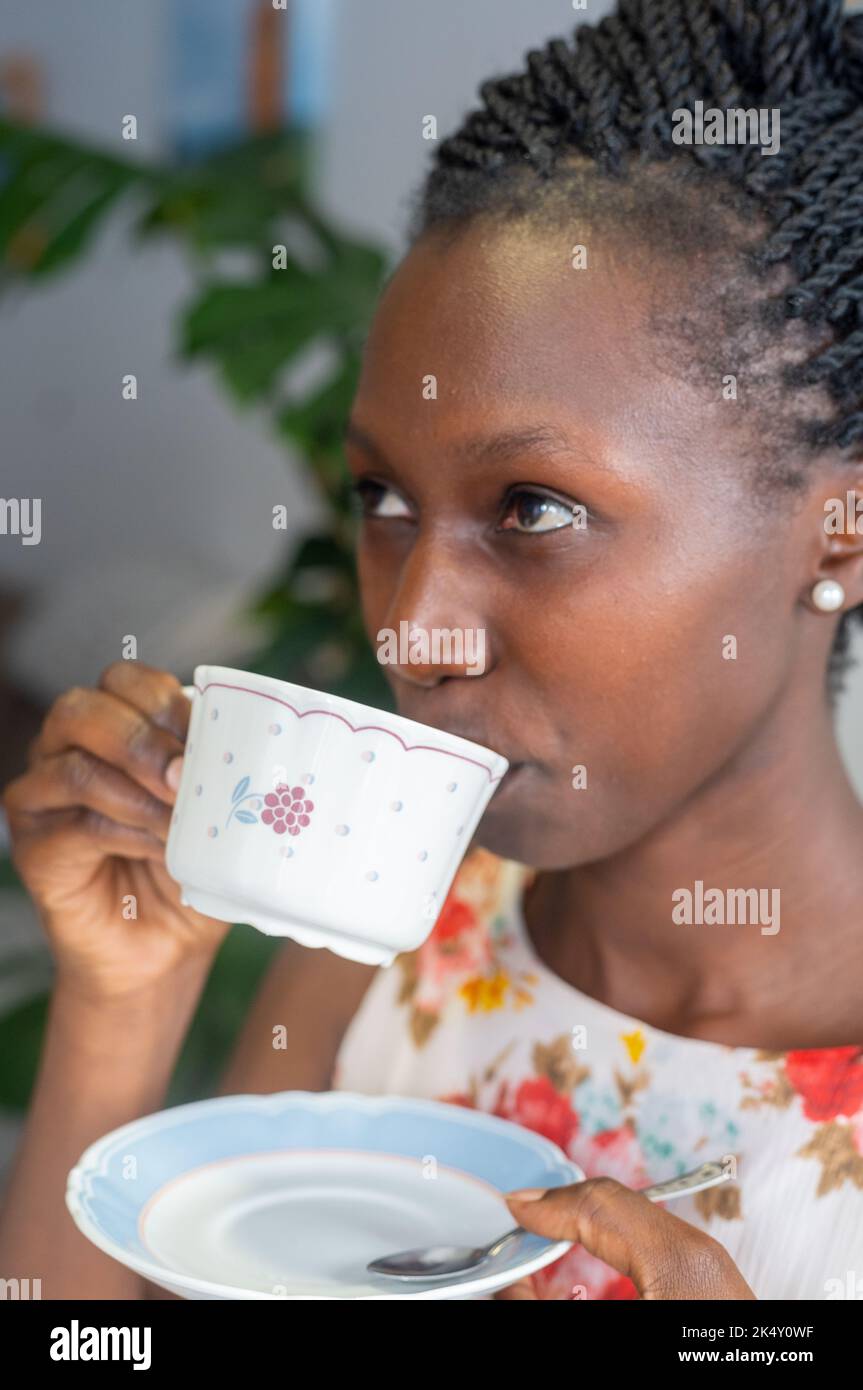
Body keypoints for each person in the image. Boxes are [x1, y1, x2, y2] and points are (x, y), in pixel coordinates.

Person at [3, 0, 863, 1300]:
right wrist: (122, 1009)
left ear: (837, 534)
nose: (410, 625)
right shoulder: (402, 946)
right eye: (383, 500)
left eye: (536, 509)